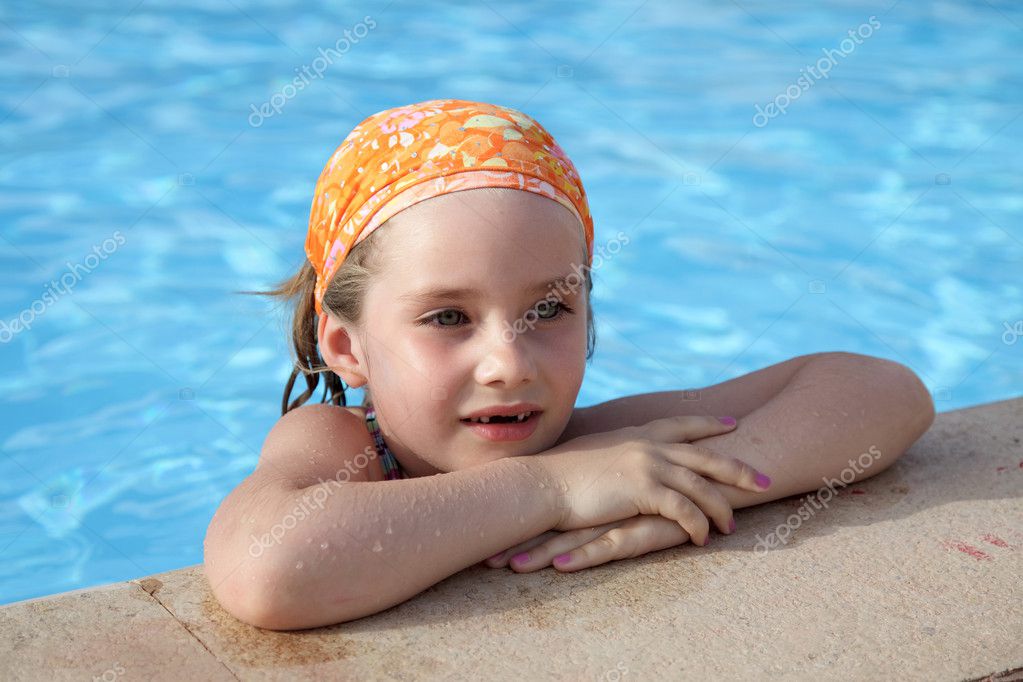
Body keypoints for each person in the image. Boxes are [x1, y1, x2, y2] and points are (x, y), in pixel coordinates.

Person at [203, 99, 935, 631]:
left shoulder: (610, 445)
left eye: (548, 310)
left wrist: (700, 484)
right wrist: (552, 488)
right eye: (447, 318)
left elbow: (883, 390)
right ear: (345, 347)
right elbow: (269, 572)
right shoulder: (341, 447)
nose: (506, 363)